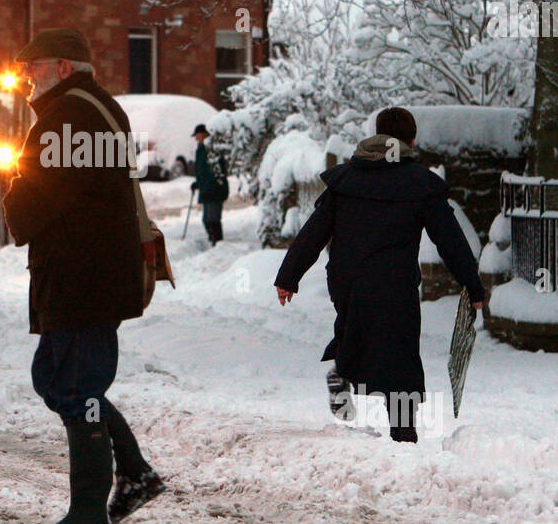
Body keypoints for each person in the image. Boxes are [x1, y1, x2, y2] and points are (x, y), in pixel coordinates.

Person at [3, 28, 165, 524]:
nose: (27, 77)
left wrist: (11, 186)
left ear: (65, 68)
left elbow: (31, 209)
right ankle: (135, 471)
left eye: (35, 66)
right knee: (57, 380)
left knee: (75, 389)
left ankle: (89, 514)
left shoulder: (67, 117)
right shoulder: (102, 108)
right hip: (89, 276)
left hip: (82, 279)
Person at [273, 107, 485, 443]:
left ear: (377, 134)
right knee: (398, 356)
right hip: (393, 283)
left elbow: (314, 232)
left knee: (353, 332)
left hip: (347, 280)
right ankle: (402, 432)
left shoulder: (345, 180)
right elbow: (451, 240)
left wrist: (288, 277)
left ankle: (342, 373)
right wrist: (473, 286)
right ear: (412, 139)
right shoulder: (419, 184)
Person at [191, 124, 229, 245]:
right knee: (207, 220)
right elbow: (202, 171)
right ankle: (214, 242)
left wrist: (211, 185)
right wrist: (197, 183)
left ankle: (217, 243)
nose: (196, 138)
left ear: (204, 134)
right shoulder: (201, 149)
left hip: (215, 190)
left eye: (197, 135)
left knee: (212, 220)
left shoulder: (211, 149)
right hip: (206, 190)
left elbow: (217, 171)